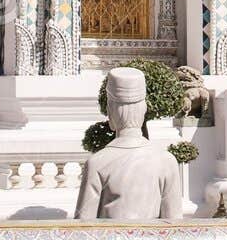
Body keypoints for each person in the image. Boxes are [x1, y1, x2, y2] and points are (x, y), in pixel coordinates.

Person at [75, 67, 182, 221]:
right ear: (144, 109)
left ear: (110, 111)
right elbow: (174, 222)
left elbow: (83, 225)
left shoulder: (97, 163)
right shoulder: (167, 161)